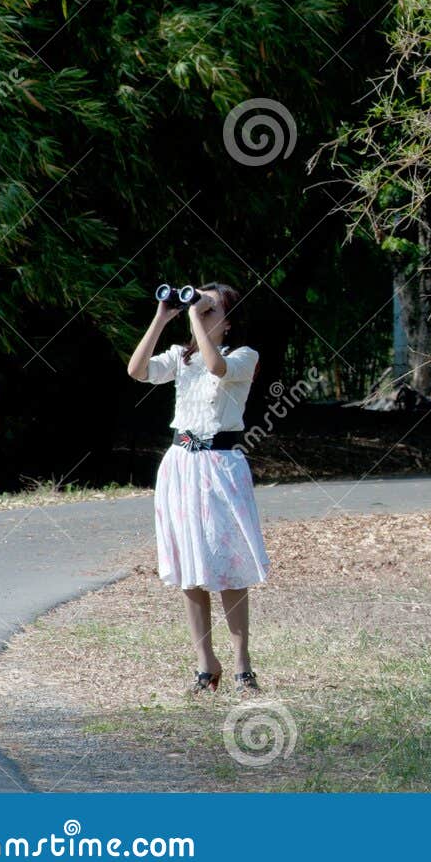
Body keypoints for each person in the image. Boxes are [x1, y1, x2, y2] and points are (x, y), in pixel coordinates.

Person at [126, 282, 268, 695]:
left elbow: (216, 368)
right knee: (189, 565)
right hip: (180, 465)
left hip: (220, 467)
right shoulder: (180, 358)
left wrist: (194, 313)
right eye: (200, 307)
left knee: (228, 566)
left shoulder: (243, 356)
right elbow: (136, 371)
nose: (201, 313)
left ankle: (243, 665)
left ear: (229, 320)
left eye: (211, 309)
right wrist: (162, 316)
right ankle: (206, 664)